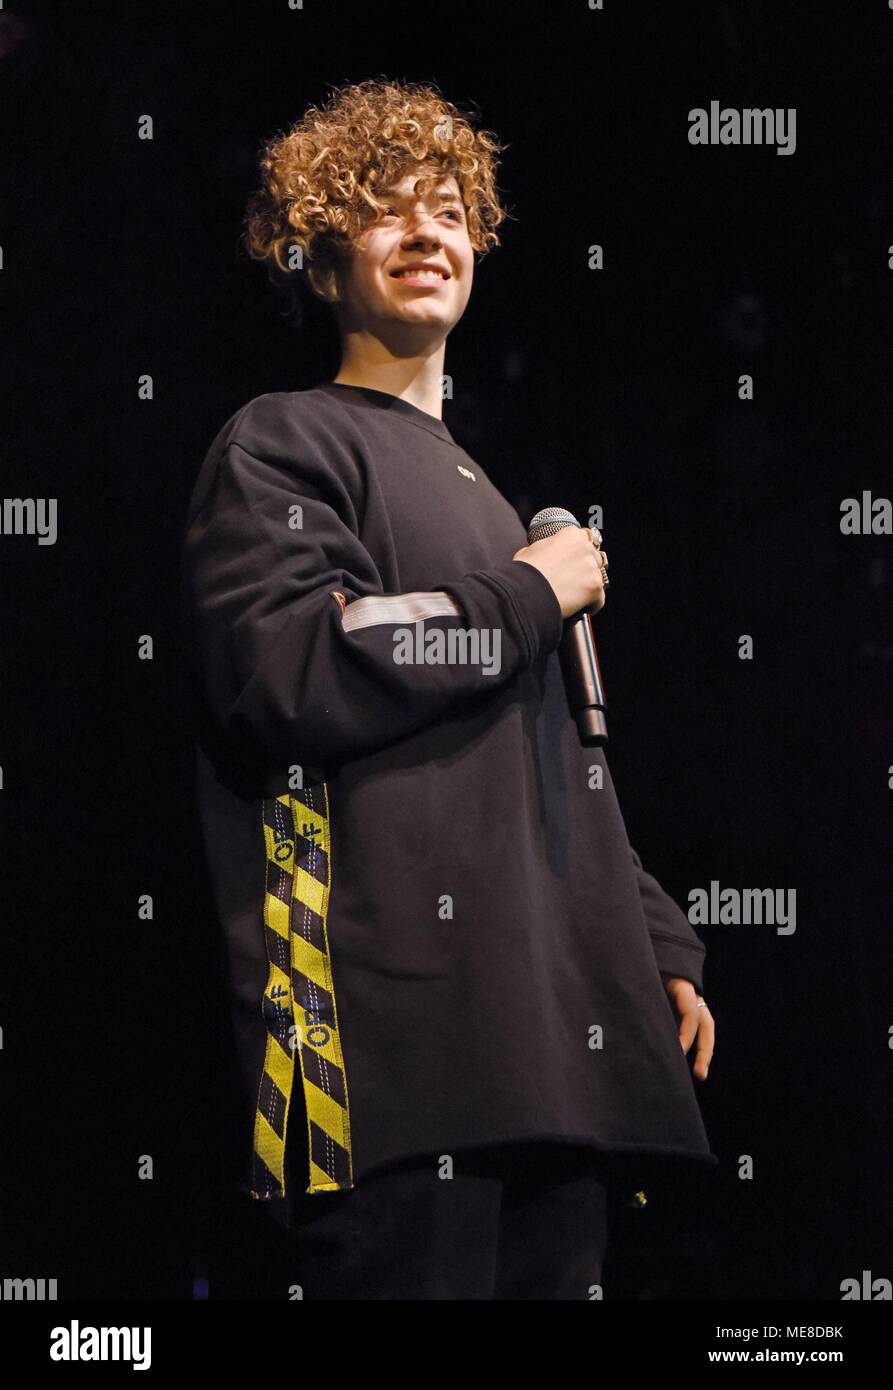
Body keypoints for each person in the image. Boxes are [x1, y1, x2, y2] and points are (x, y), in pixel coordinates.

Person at [179, 77, 716, 1300]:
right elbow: (295, 667)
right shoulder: (284, 441)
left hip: (552, 1075)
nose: (429, 232)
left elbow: (541, 757)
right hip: (384, 1068)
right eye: (385, 211)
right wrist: (527, 598)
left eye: (450, 209)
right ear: (320, 265)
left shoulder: (488, 498)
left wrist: (647, 943)